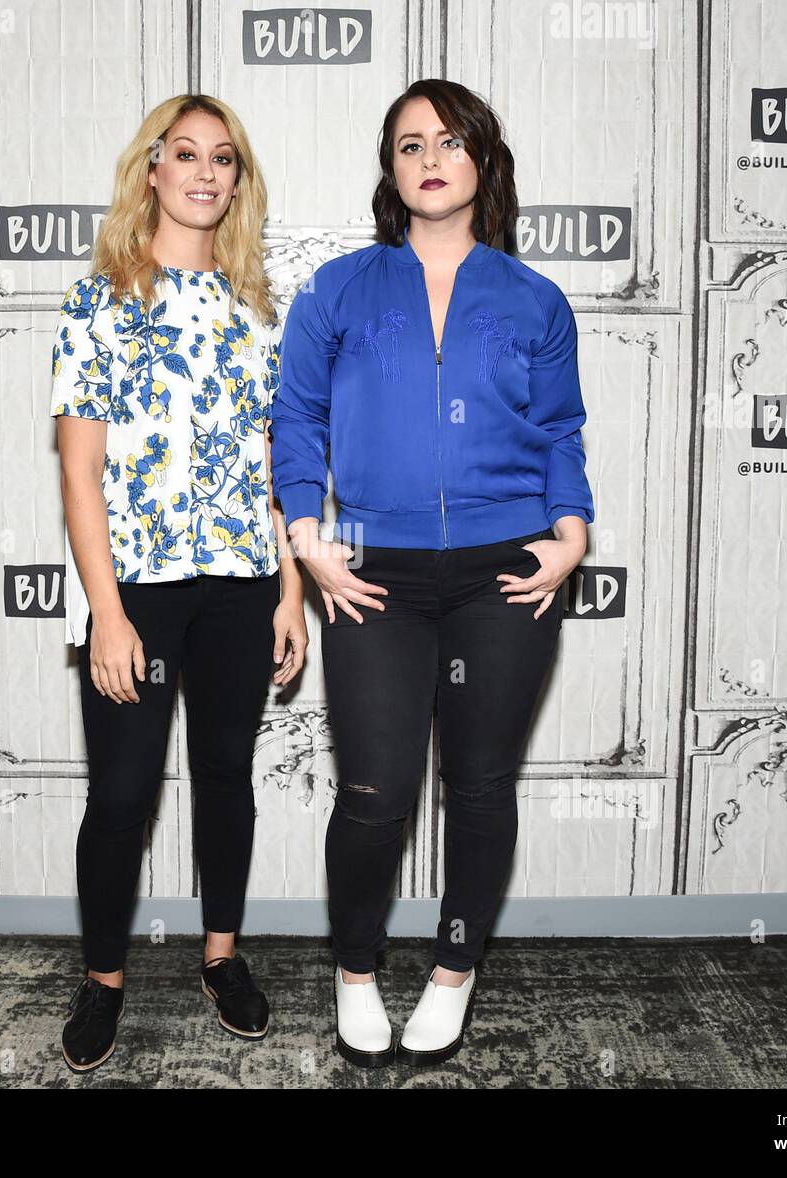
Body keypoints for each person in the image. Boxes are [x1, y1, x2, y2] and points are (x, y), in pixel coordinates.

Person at [271, 78, 595, 1067]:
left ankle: (453, 973)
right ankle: (356, 971)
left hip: (505, 570)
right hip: (374, 570)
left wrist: (572, 528)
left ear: (480, 162)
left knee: (481, 781)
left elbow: (560, 432)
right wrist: (305, 529)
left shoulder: (533, 298)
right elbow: (295, 421)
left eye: (448, 141)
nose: (428, 157)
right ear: (391, 169)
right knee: (373, 787)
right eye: (408, 143)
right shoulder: (337, 289)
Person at [50, 94, 307, 1073]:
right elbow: (78, 471)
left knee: (226, 780)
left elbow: (275, 462)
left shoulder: (256, 309)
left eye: (224, 158)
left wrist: (288, 590)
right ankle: (103, 978)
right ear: (151, 170)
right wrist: (108, 611)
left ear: (237, 181)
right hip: (140, 591)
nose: (205, 172)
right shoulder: (104, 298)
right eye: (186, 154)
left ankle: (222, 957)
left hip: (242, 583)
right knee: (120, 792)